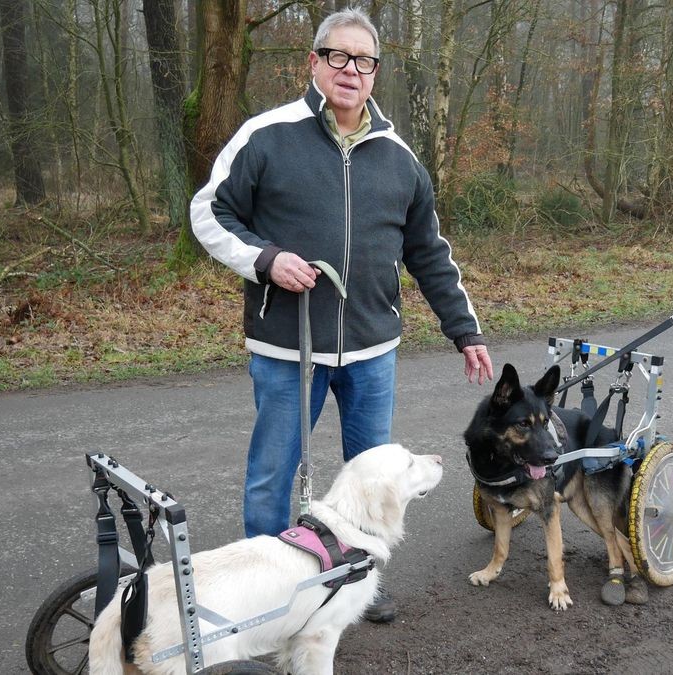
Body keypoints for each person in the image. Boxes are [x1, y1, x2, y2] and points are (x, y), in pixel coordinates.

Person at [190, 8, 493, 623]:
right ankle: (266, 597)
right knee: (272, 477)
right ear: (315, 62)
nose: (351, 70)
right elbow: (209, 212)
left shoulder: (399, 157)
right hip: (288, 347)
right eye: (338, 56)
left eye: (364, 60)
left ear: (376, 72)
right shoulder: (267, 136)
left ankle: (357, 582)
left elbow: (428, 252)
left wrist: (465, 330)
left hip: (372, 351)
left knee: (374, 480)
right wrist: (265, 260)